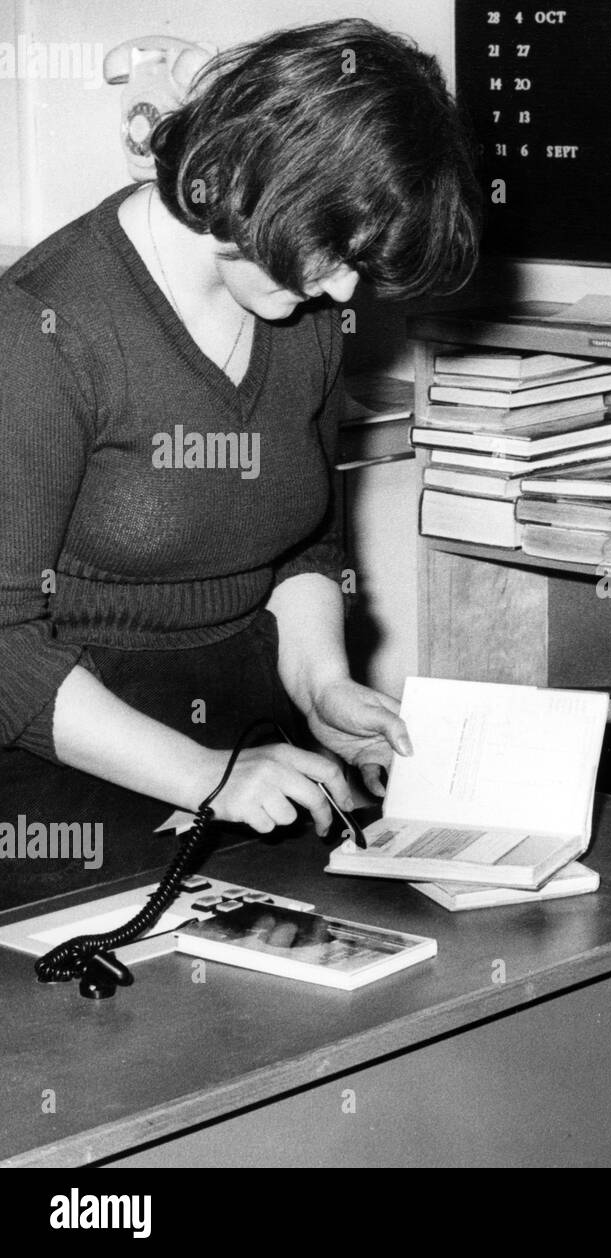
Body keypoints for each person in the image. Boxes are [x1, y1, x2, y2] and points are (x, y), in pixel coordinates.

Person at [0, 19, 479, 910]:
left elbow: (303, 542)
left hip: (253, 751)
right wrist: (206, 776)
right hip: (62, 785)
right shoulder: (43, 327)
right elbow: (1, 650)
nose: (345, 294)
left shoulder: (300, 312)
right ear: (254, 180)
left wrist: (322, 683)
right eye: (334, 255)